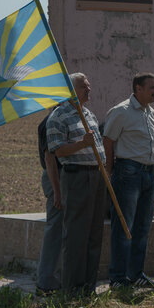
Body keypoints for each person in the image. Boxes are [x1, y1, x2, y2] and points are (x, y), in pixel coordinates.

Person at [46, 73, 107, 295]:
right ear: (70, 90)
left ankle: (89, 286)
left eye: (88, 85)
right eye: (83, 86)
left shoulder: (88, 114)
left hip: (97, 176)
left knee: (94, 233)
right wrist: (81, 143)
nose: (88, 89)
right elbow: (58, 150)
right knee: (76, 235)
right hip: (76, 177)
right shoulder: (58, 117)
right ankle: (72, 288)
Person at [102, 72, 154, 290]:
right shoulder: (121, 111)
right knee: (124, 226)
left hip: (148, 173)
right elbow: (108, 140)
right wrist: (110, 170)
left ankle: (136, 275)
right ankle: (118, 278)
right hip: (128, 172)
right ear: (138, 89)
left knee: (143, 227)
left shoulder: (150, 112)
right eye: (152, 87)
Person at [35, 107, 63, 295]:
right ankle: (46, 282)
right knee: (55, 230)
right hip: (56, 177)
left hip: (63, 177)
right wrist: (57, 190)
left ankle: (58, 278)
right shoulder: (50, 122)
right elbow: (49, 158)